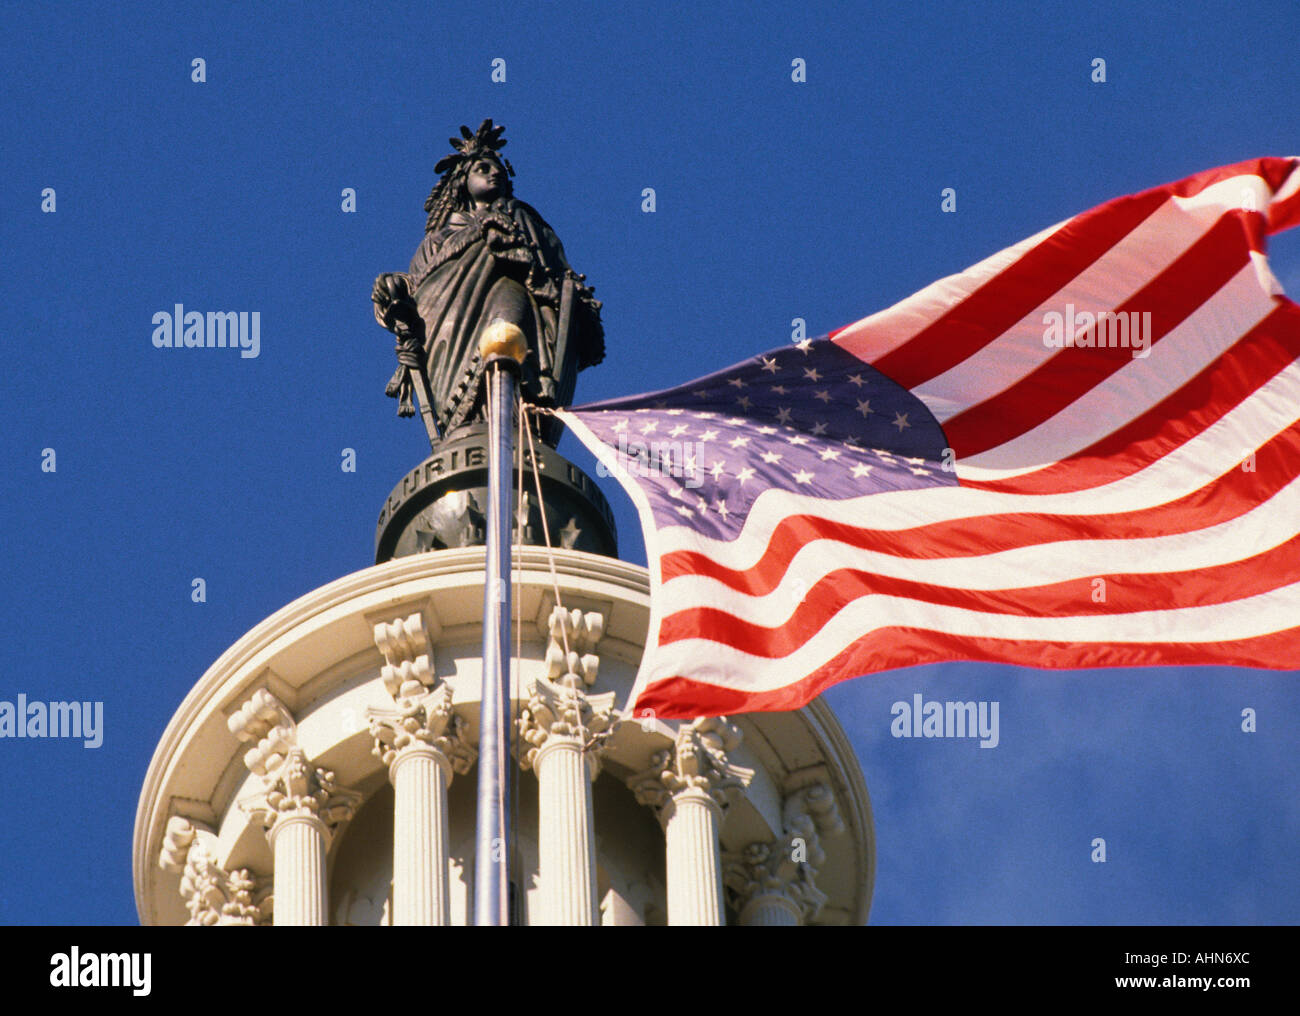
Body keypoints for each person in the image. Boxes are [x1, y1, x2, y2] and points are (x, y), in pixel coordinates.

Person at [372, 119, 603, 444]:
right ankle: (470, 434)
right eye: (482, 168)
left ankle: (514, 420)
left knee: (508, 332)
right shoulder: (436, 242)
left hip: (511, 294)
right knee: (461, 400)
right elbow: (422, 294)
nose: (495, 173)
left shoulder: (520, 218)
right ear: (462, 182)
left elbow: (553, 270)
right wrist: (392, 289)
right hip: (447, 337)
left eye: (499, 170)